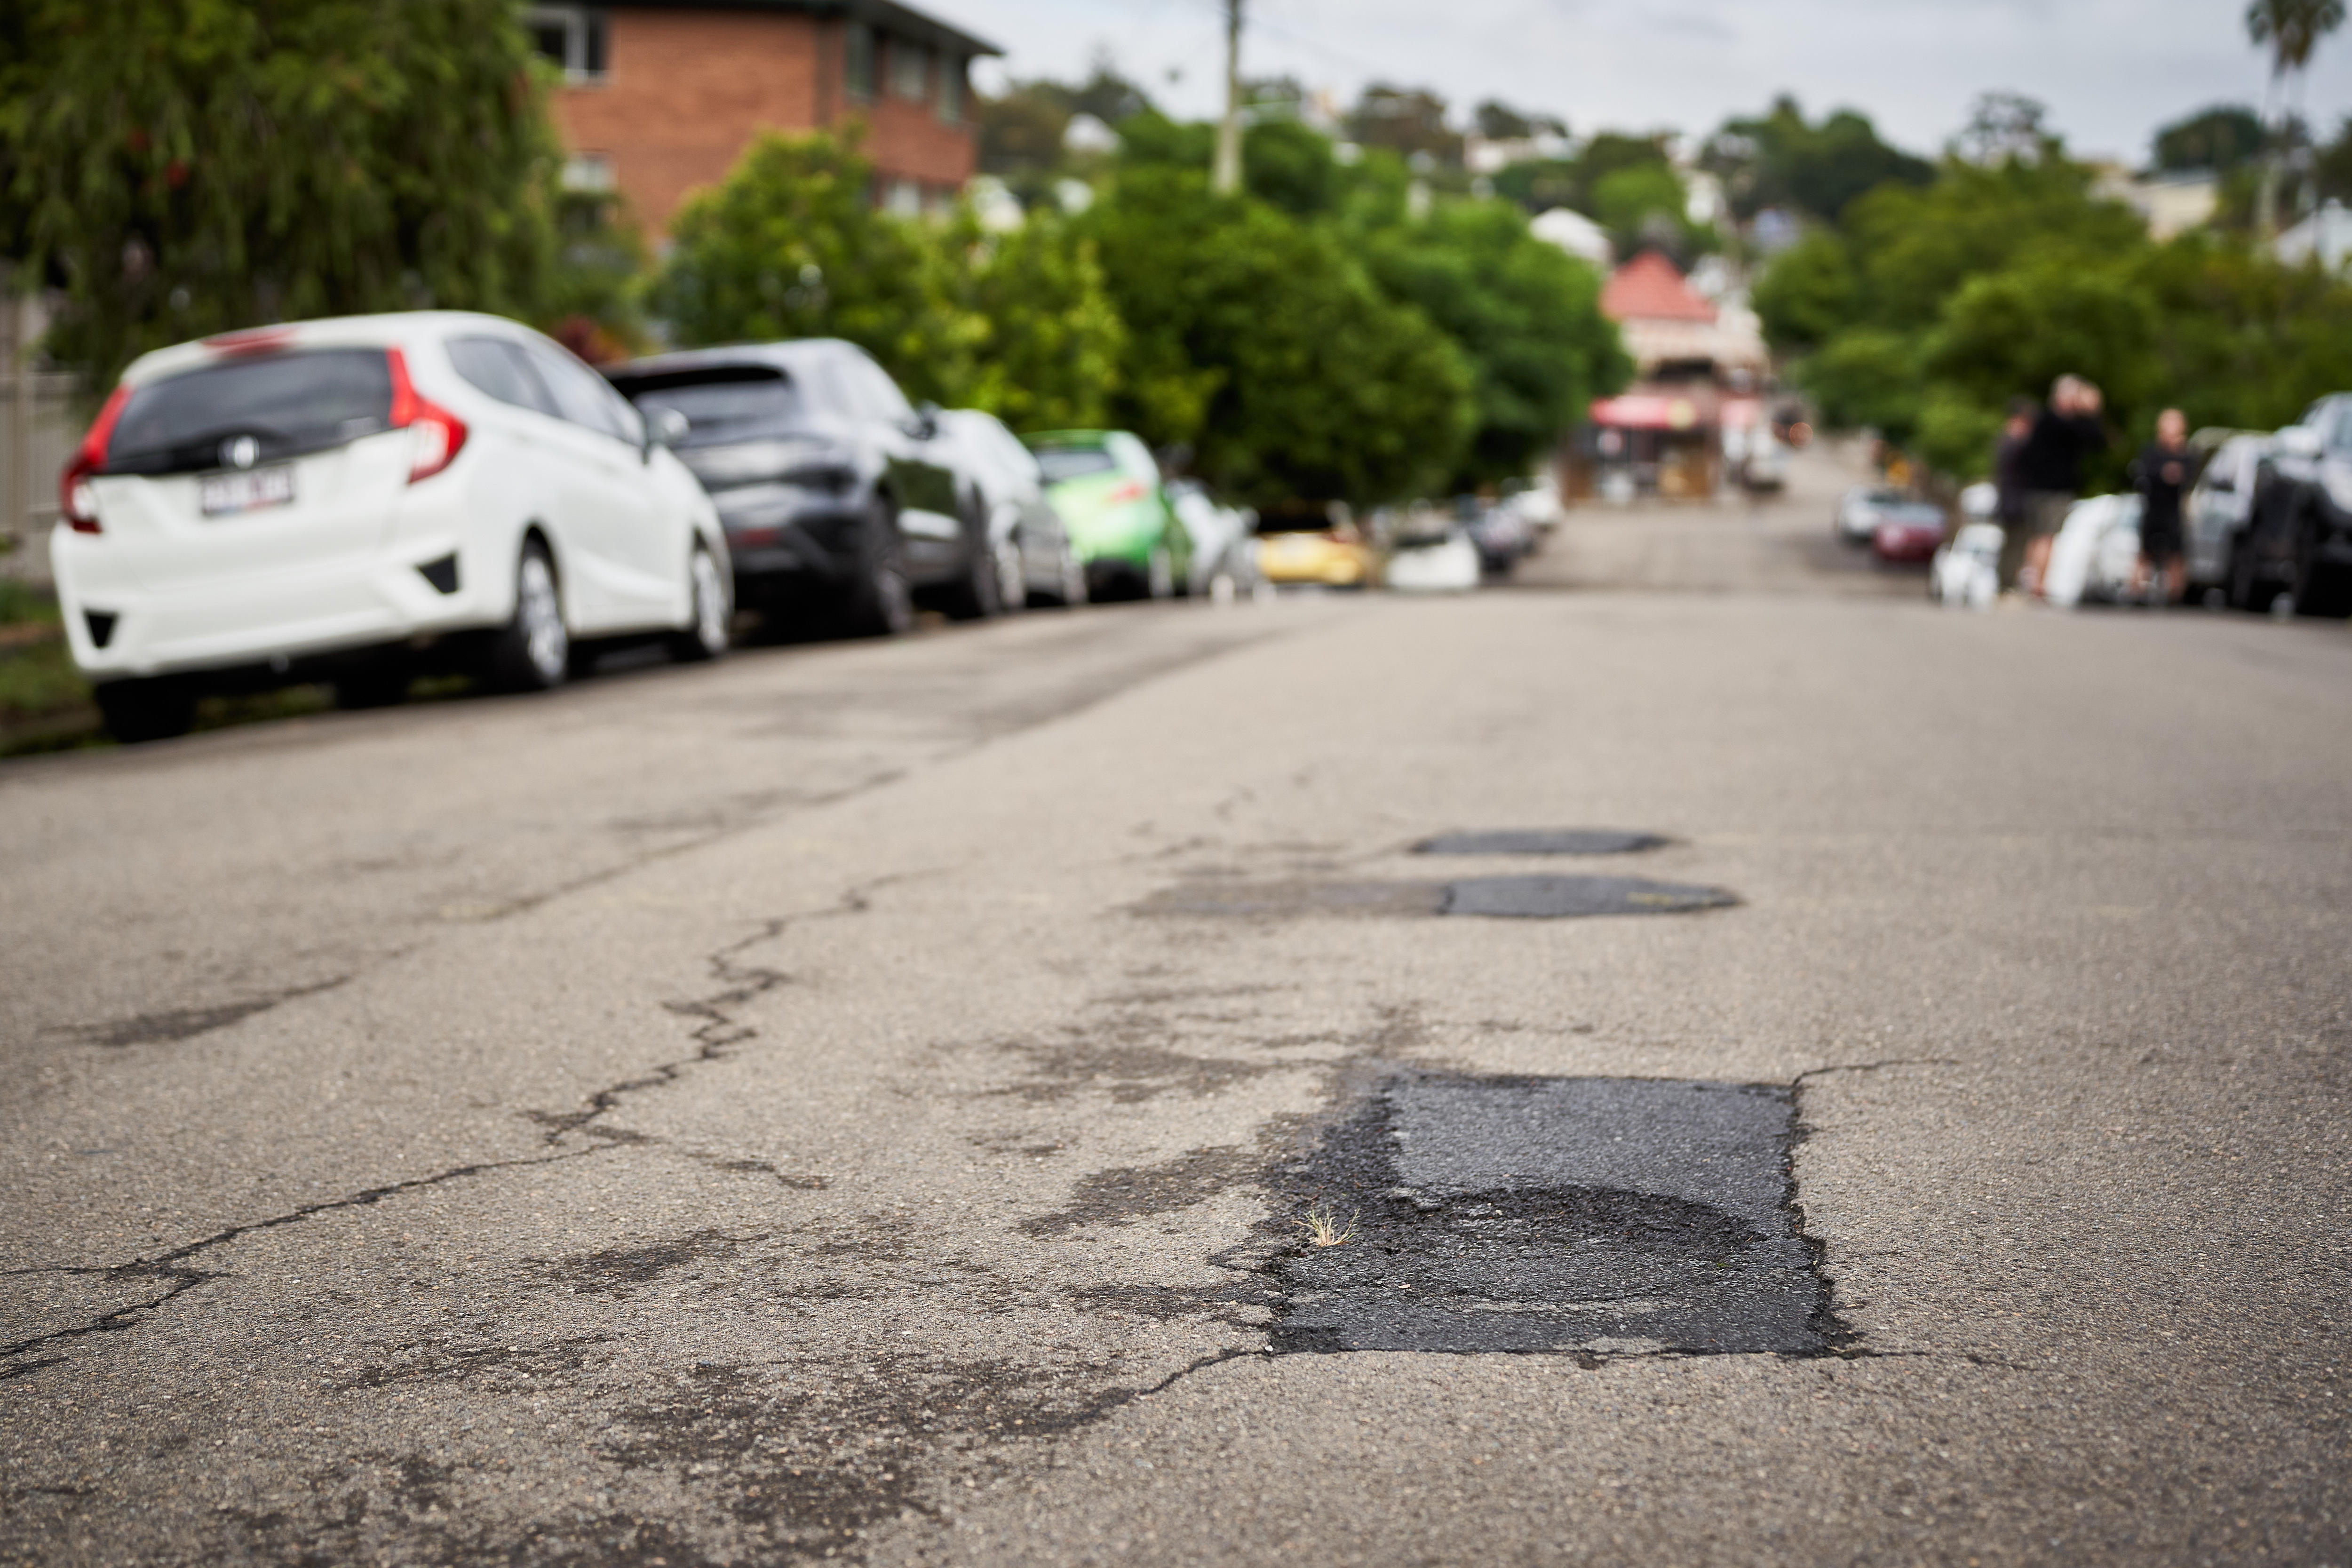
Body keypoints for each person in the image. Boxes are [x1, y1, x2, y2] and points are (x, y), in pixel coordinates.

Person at [2014, 375, 2108, 597]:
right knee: (2047, 537)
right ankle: (2038, 585)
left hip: (2037, 488)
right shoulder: (2063, 424)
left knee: (2037, 537)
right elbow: (2097, 439)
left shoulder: (2044, 420)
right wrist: (2092, 411)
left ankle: (2030, 581)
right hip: (2054, 490)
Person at [2132, 408, 2194, 605]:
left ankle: (2176, 595)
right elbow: (2144, 473)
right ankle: (2137, 590)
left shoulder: (2186, 453)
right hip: (2153, 507)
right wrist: (2164, 473)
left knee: (2176, 552)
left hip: (2173, 509)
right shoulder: (2152, 451)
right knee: (2145, 551)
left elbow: (2190, 475)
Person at [1992, 398, 2036, 590]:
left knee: (2015, 545)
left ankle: (2007, 584)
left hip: (2012, 501)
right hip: (2014, 503)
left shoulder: (2007, 441)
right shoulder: (2012, 443)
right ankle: (2006, 585)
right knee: (2014, 546)